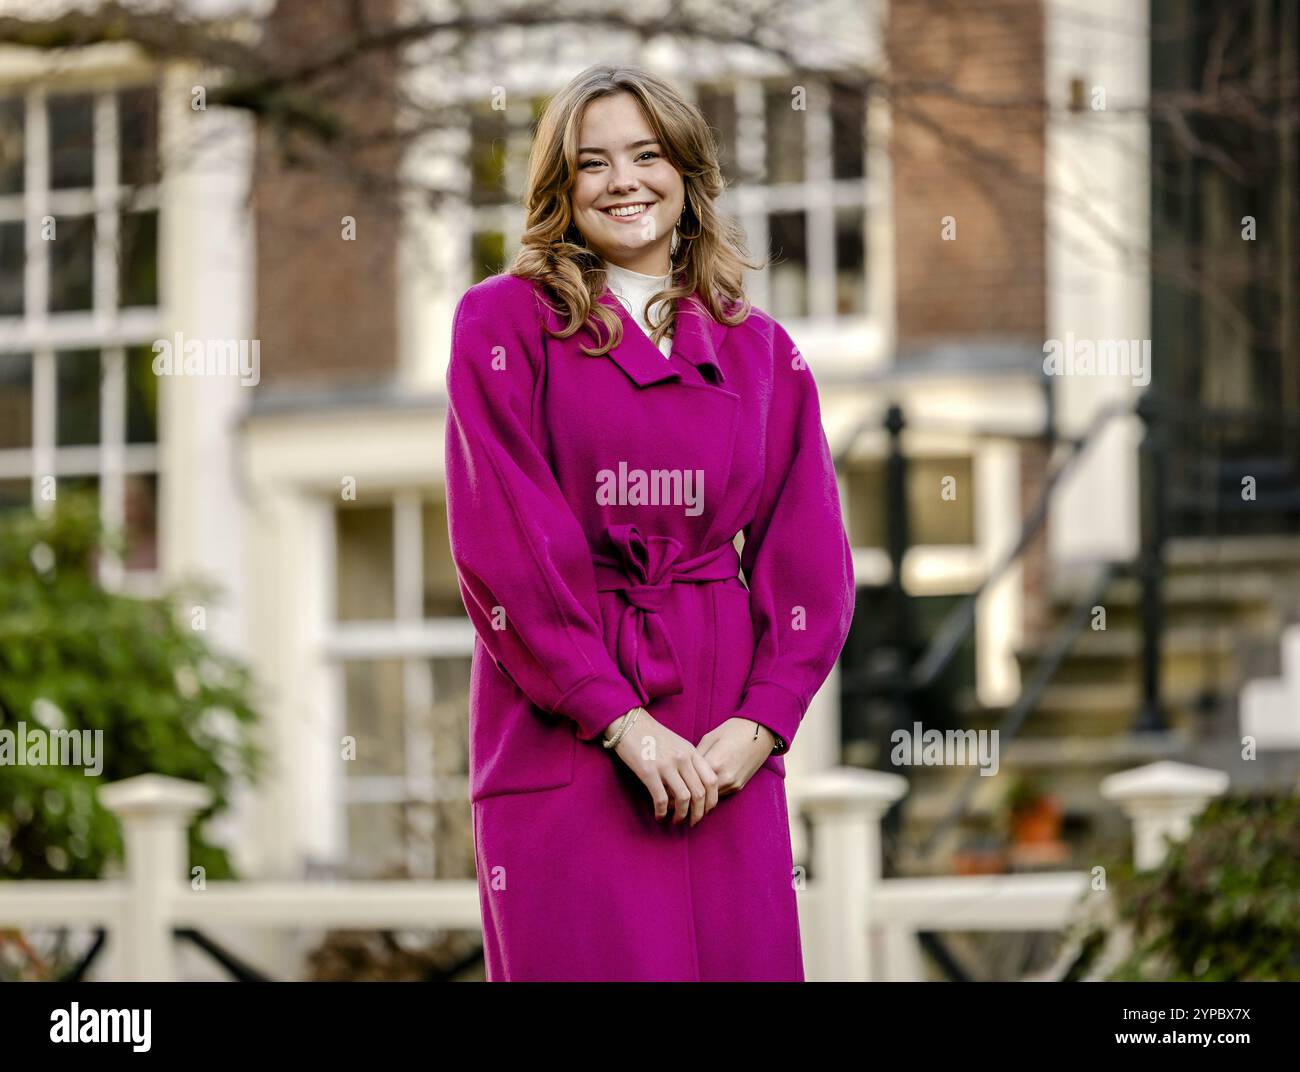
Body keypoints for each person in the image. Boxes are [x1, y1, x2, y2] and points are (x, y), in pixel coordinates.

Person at [444, 62, 855, 981]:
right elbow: (504, 554)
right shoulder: (503, 324)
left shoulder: (760, 349)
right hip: (565, 726)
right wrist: (620, 720)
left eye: (646, 154)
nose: (624, 180)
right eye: (593, 163)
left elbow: (812, 567)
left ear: (685, 172)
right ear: (561, 188)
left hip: (723, 750)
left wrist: (761, 724)